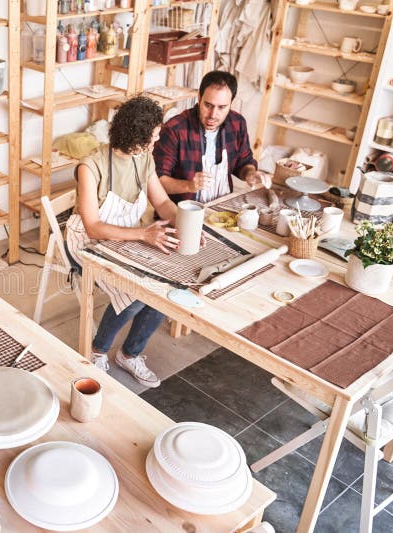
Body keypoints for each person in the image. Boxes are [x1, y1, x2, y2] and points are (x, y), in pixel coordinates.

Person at [65, 96, 179, 388]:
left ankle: (130, 353)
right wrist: (143, 235)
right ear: (136, 138)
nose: (156, 143)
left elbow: (163, 202)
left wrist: (186, 223)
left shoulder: (143, 159)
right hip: (87, 242)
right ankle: (98, 350)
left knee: (167, 286)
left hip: (125, 236)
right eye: (152, 139)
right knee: (134, 291)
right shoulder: (90, 167)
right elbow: (93, 227)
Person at [154, 70, 268, 204]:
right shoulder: (175, 129)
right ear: (199, 98)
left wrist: (250, 174)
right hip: (183, 211)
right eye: (208, 105)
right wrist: (189, 186)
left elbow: (244, 162)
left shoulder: (237, 123)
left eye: (222, 107)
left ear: (231, 103)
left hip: (222, 208)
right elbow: (158, 181)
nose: (213, 114)